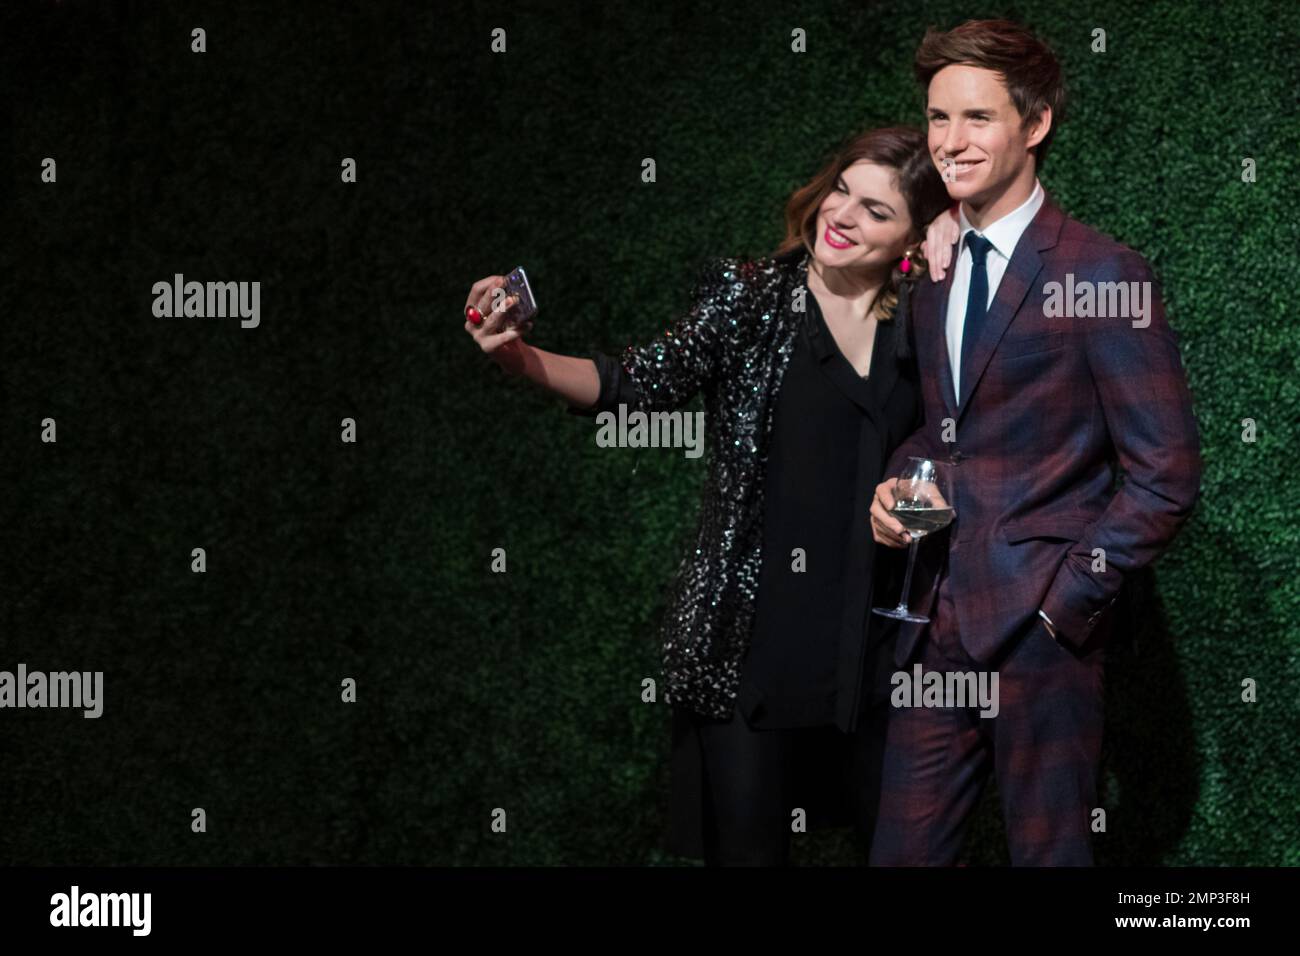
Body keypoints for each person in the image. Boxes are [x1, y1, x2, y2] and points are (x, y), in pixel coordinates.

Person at [463, 127, 951, 865]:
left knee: (900, 850)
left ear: (913, 236)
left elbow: (952, 460)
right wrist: (518, 356)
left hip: (871, 651)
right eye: (841, 190)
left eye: (876, 210)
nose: (842, 215)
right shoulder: (754, 298)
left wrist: (957, 228)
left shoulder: (925, 319)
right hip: (748, 646)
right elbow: (634, 383)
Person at [868, 19, 1203, 865]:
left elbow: (1165, 473)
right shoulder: (933, 271)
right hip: (934, 623)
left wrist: (1066, 605)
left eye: (977, 117)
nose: (950, 141)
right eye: (938, 118)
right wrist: (903, 487)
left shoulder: (1101, 273)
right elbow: (946, 431)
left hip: (1041, 636)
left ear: (1037, 122)